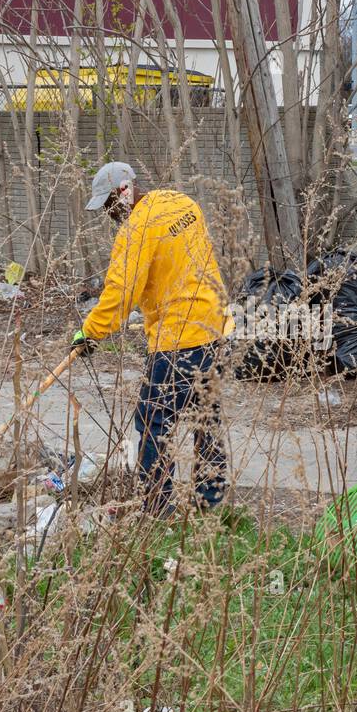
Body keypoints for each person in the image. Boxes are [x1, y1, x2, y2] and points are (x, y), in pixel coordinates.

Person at [72, 162, 234, 516]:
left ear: (122, 193)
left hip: (179, 338)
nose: (109, 215)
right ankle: (211, 501)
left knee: (152, 420)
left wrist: (91, 332)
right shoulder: (181, 203)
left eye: (109, 205)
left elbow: (121, 293)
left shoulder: (136, 230)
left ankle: (156, 508)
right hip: (217, 327)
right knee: (205, 415)